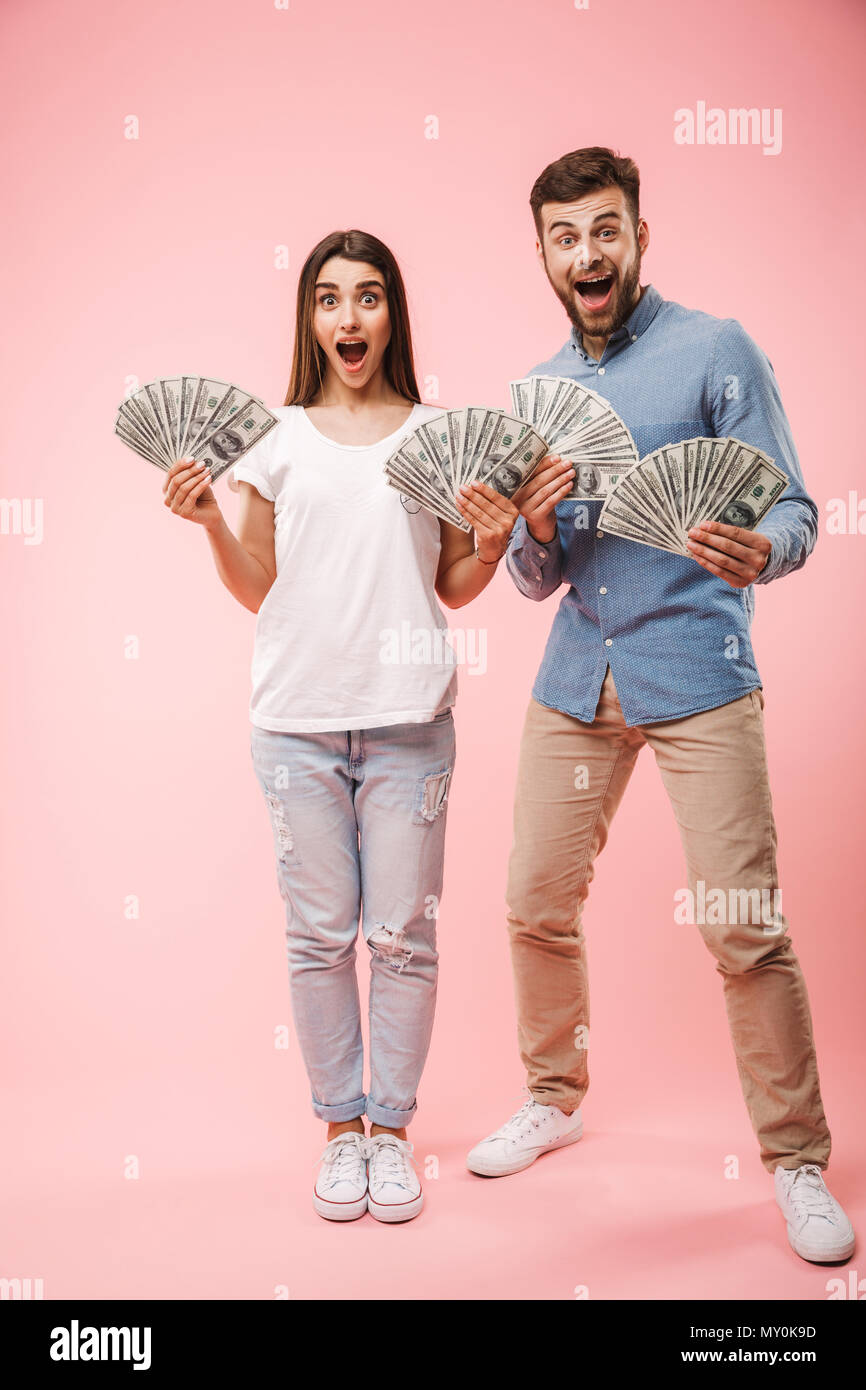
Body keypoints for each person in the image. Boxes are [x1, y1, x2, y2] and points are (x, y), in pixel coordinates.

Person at [464, 147, 855, 1266]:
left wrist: (762, 548)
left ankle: (791, 1159)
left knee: (741, 924)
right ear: (540, 253)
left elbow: (792, 505)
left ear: (638, 235)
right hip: (574, 675)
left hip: (694, 669)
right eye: (562, 236)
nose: (585, 253)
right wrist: (532, 528)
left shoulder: (712, 349)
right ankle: (554, 1094)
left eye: (603, 229)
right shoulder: (537, 393)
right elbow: (533, 581)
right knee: (533, 900)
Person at [160, 229, 572, 1224]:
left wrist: (489, 536)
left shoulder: (431, 436)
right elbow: (260, 588)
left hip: (408, 725)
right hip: (295, 725)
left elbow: (451, 586)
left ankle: (391, 1131)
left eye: (370, 297)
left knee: (401, 940)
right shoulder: (275, 437)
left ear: (392, 313)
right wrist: (211, 519)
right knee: (316, 938)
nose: (351, 318)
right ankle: (338, 1132)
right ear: (309, 318)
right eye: (331, 299)